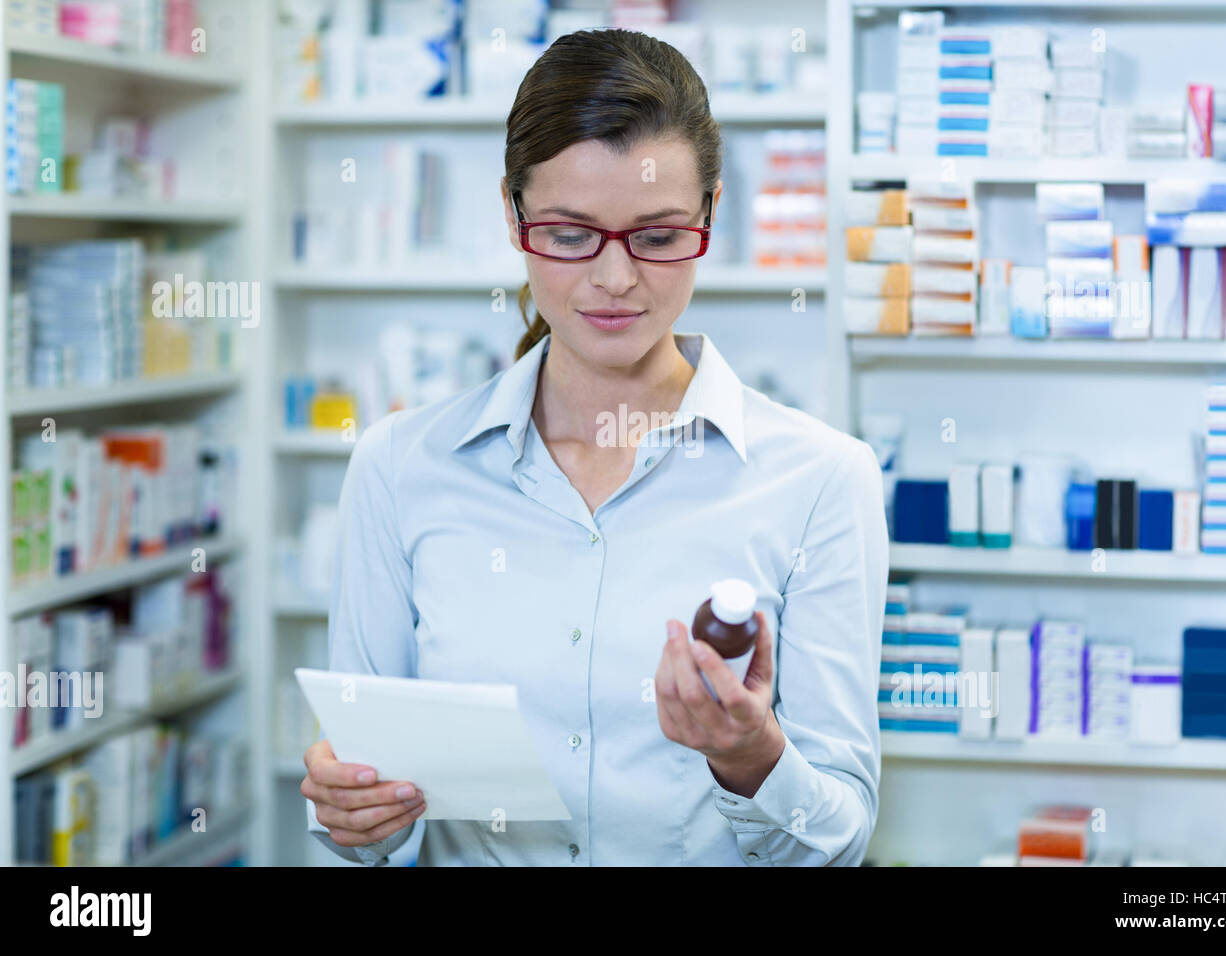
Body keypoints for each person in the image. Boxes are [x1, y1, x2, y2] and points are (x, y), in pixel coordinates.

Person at [301, 27, 888, 866]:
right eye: (572, 235)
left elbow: (840, 836)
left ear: (711, 214)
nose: (615, 280)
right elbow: (362, 814)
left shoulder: (822, 479)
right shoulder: (400, 468)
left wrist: (749, 756)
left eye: (656, 236)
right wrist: (358, 818)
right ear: (513, 213)